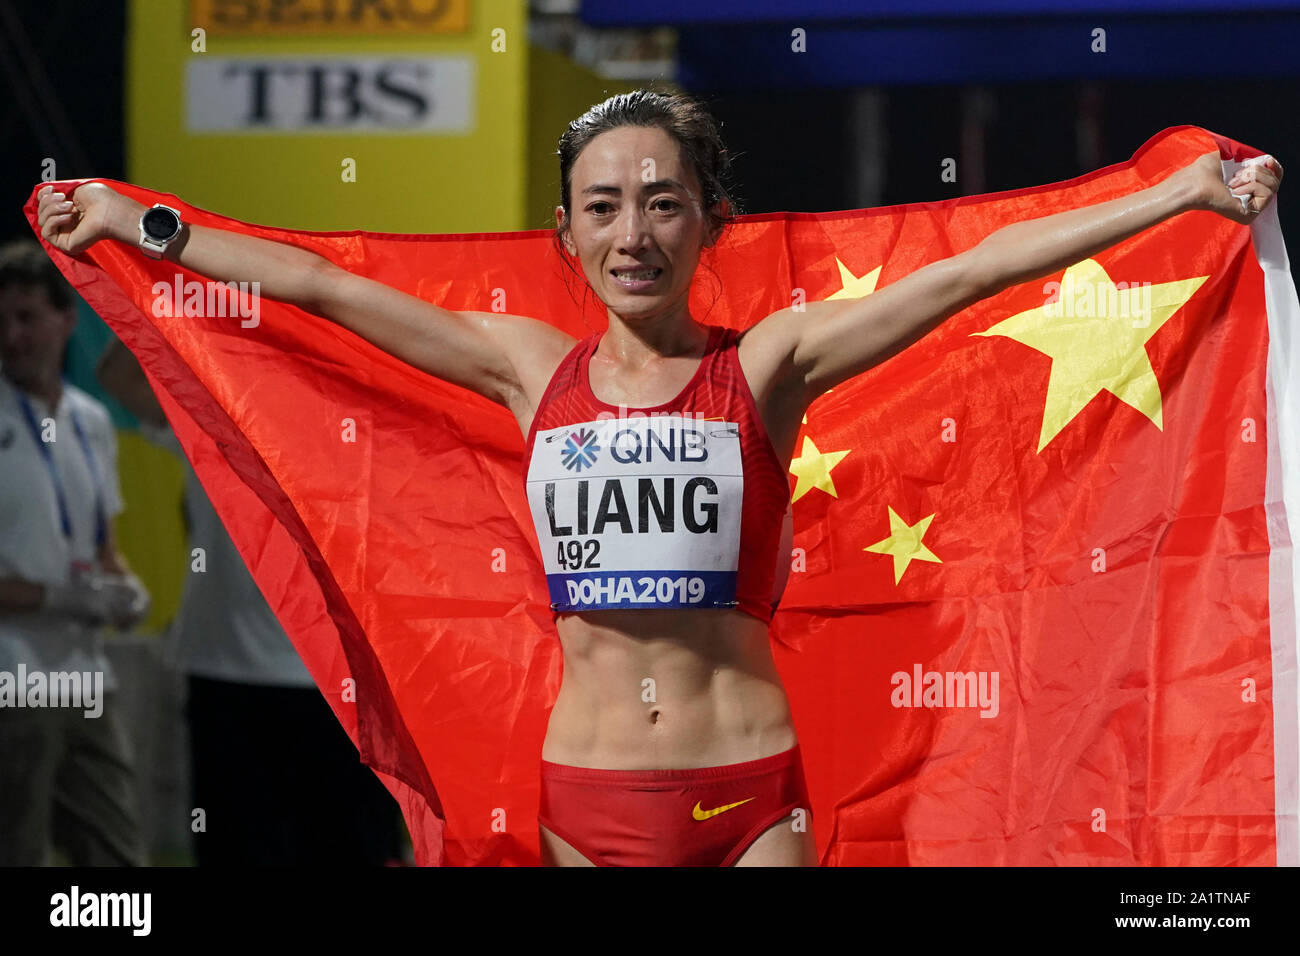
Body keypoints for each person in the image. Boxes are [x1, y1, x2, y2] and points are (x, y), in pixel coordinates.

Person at [35, 90, 1282, 867]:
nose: (633, 231)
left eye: (662, 202)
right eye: (603, 207)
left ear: (705, 222)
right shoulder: (529, 369)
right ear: (567, 233)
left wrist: (1175, 194)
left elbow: (969, 274)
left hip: (751, 793)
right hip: (587, 797)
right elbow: (324, 287)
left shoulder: (773, 364)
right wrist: (145, 225)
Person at [94, 337, 407, 865]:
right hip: (226, 673)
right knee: (237, 851)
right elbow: (121, 378)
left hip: (349, 686)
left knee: (350, 850)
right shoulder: (217, 408)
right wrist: (151, 274)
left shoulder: (366, 423)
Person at [0, 238, 150, 866]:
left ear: (67, 320)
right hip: (10, 679)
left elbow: (101, 547)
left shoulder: (91, 420)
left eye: (27, 317)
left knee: (117, 864)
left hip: (88, 675)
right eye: (1, 320)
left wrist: (127, 591)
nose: (12, 335)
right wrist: (57, 596)